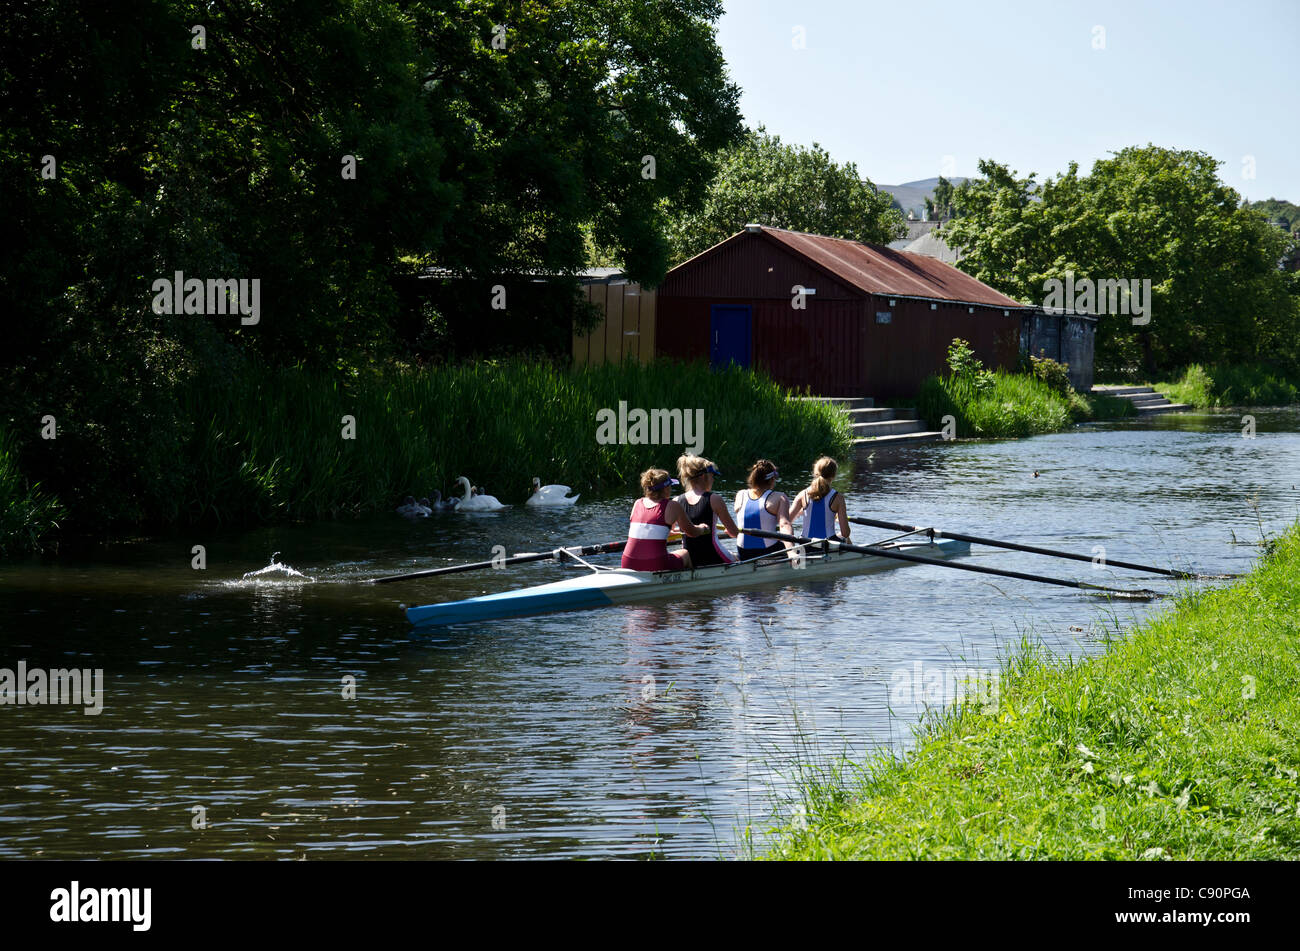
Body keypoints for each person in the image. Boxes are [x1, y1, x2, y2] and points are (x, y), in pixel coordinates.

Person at [621, 468, 711, 572]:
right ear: (665, 489)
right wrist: (703, 528)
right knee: (685, 553)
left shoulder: (637, 503)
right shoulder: (673, 506)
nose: (671, 489)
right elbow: (692, 532)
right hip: (656, 563)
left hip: (628, 562)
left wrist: (668, 532)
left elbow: (647, 529)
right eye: (670, 487)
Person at [675, 454, 740, 567]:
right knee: (739, 558)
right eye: (712, 476)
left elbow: (671, 530)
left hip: (690, 559)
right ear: (703, 476)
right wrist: (730, 532)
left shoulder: (676, 501)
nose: (713, 479)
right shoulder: (715, 499)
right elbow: (734, 532)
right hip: (714, 556)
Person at [733, 459, 795, 561]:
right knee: (787, 544)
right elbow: (784, 525)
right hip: (767, 551)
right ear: (772, 479)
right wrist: (791, 551)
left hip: (743, 552)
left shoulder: (740, 494)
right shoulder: (780, 497)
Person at [788, 456, 851, 541]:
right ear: (834, 475)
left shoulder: (802, 495)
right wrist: (840, 519)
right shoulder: (838, 498)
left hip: (805, 544)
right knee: (847, 538)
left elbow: (786, 522)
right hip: (828, 545)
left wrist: (800, 513)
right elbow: (845, 533)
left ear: (815, 473)